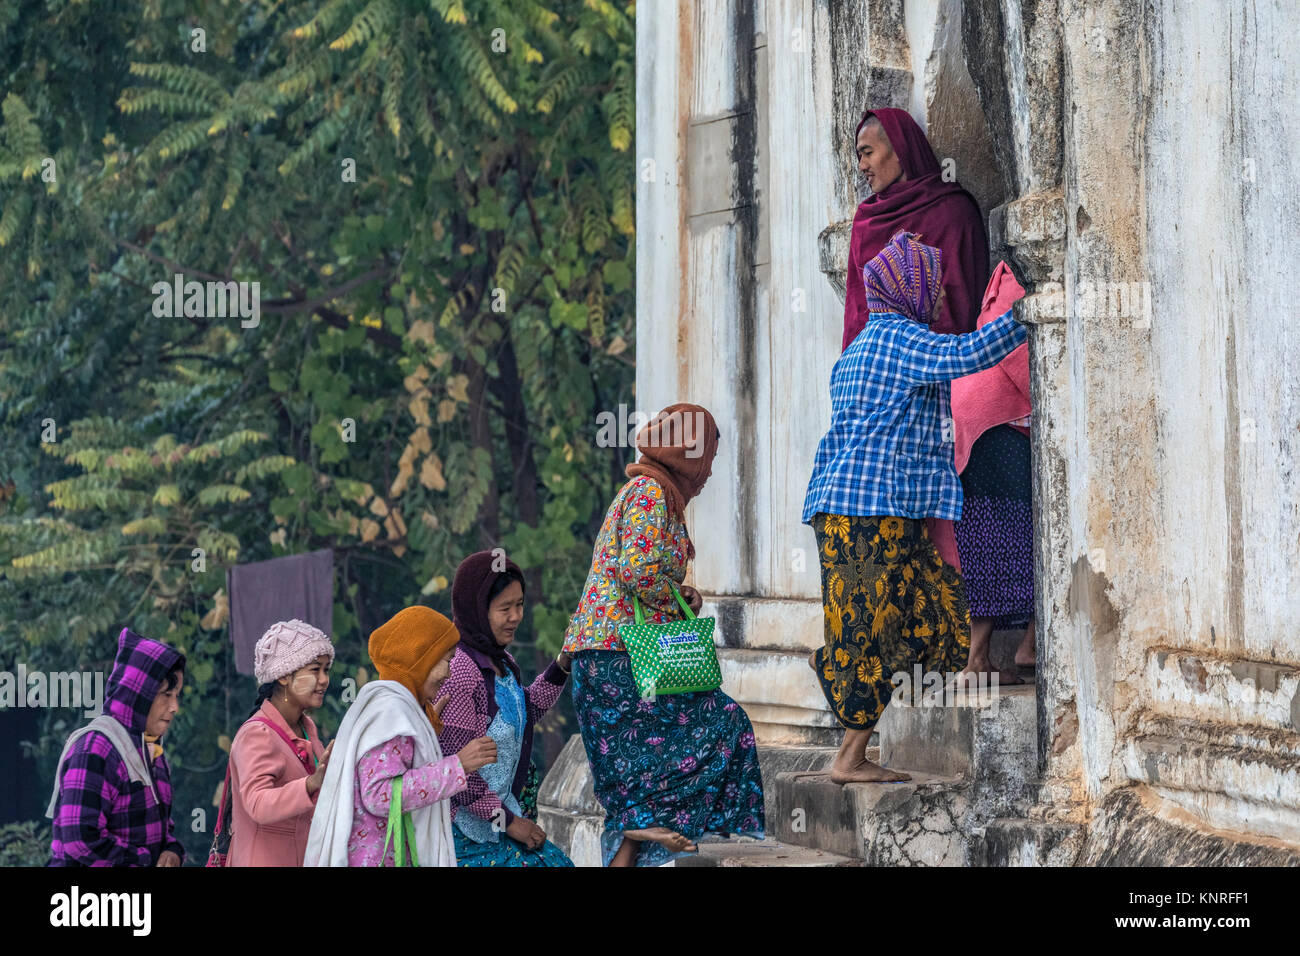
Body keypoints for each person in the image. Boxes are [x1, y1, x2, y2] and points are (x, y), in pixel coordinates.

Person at [803, 231, 1027, 784]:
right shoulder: (898, 342)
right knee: (874, 636)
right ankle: (849, 757)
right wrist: (1030, 310)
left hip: (857, 508)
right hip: (868, 515)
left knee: (938, 618)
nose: (937, 296)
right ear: (910, 290)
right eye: (931, 285)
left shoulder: (859, 349)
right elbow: (967, 354)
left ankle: (834, 665)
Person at [563, 403, 765, 866]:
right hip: (625, 659)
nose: (710, 471)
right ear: (686, 454)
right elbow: (636, 572)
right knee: (725, 722)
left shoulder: (652, 494)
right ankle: (678, 835)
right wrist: (673, 597)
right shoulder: (651, 493)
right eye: (708, 457)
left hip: (610, 657)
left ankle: (644, 835)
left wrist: (679, 595)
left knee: (639, 796)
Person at [843, 107, 992, 570]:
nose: (863, 166)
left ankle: (962, 634)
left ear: (900, 150)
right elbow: (855, 318)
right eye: (859, 156)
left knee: (945, 521)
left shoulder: (953, 211)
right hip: (880, 397)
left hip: (947, 386)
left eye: (868, 152)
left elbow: (967, 304)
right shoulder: (865, 222)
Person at [303, 605, 497, 866]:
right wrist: (457, 766)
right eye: (446, 660)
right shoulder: (392, 713)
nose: (449, 673)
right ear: (420, 660)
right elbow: (379, 795)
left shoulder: (391, 708)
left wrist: (426, 726)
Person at [435, 551, 573, 866]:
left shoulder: (502, 664)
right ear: (477, 611)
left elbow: (527, 713)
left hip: (500, 820)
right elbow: (460, 774)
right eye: (504, 608)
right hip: (466, 834)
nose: (516, 616)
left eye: (520, 604)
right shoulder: (459, 672)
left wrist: (562, 664)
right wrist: (510, 823)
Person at [952, 262, 1037, 683]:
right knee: (1033, 531)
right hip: (998, 429)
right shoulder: (1022, 287)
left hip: (972, 429)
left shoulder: (997, 289)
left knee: (984, 539)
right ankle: (1031, 643)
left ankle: (978, 659)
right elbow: (1025, 362)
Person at [48, 626, 187, 866]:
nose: (174, 707)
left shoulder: (151, 753)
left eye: (177, 695)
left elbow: (162, 830)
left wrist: (172, 851)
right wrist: (147, 860)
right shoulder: (96, 748)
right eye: (166, 694)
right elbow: (80, 841)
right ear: (140, 695)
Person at [224, 619, 335, 866]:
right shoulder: (257, 733)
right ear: (284, 676)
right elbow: (257, 803)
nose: (324, 679)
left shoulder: (307, 727)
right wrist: (310, 783)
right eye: (315, 669)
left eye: (326, 670)